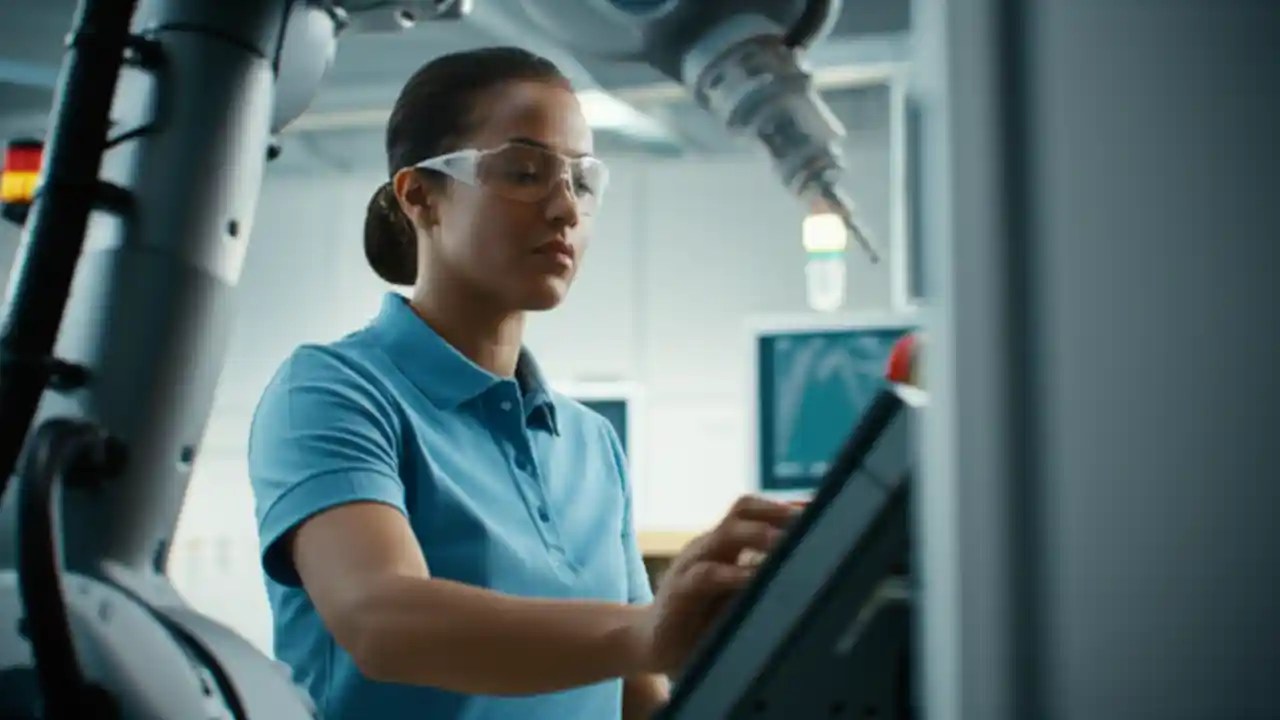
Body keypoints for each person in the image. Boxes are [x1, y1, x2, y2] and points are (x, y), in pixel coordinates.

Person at [246, 46, 798, 720]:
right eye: (526, 172)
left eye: (581, 180)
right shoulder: (334, 392)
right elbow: (379, 619)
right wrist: (646, 632)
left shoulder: (592, 443)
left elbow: (632, 692)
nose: (565, 209)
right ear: (421, 195)